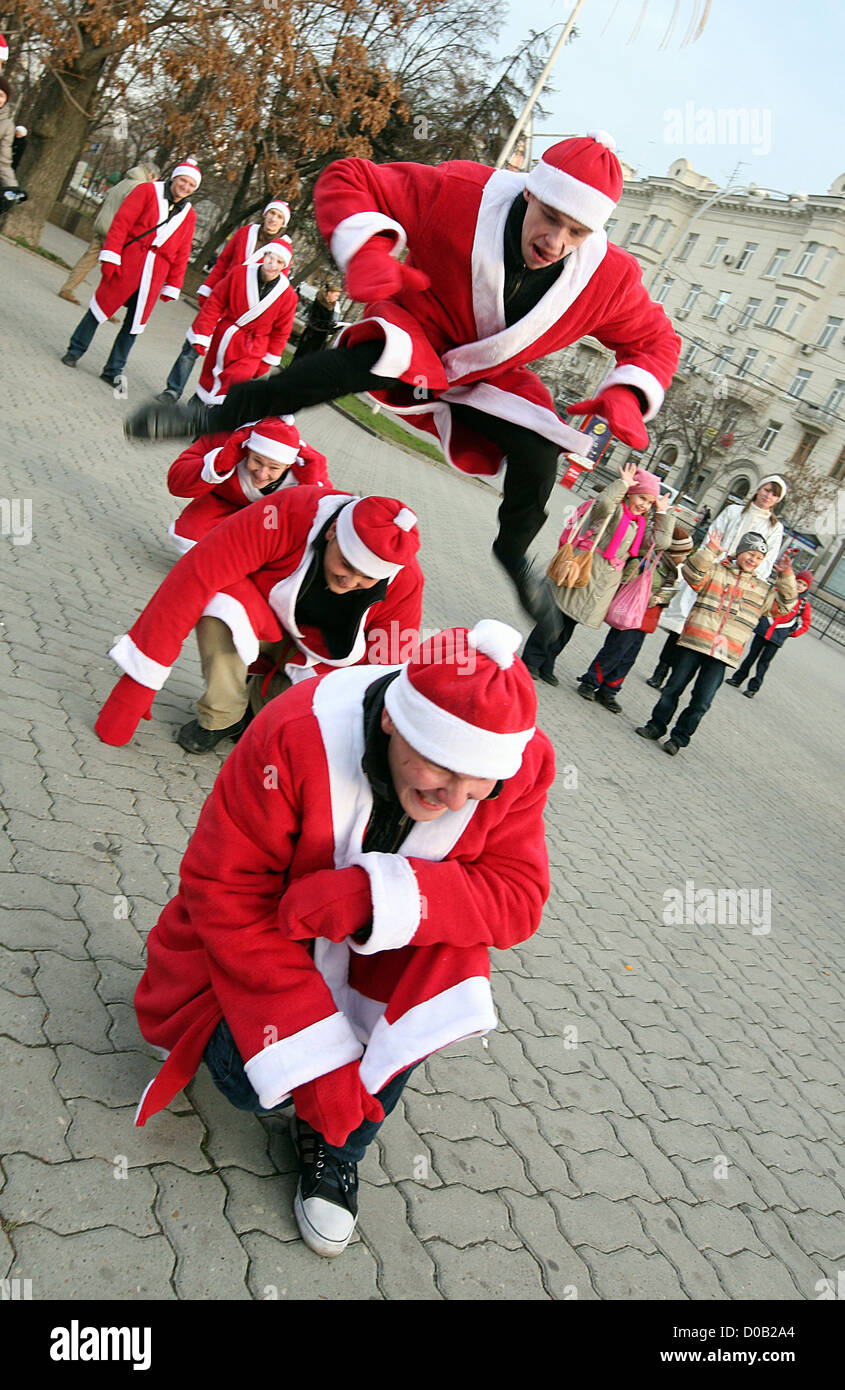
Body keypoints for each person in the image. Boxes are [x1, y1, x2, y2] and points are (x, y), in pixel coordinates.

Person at [123, 132, 681, 634]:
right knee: (353, 362)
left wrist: (628, 394)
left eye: (576, 231)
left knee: (540, 452)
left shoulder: (607, 278)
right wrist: (366, 252)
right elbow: (352, 176)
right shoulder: (464, 193)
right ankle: (211, 416)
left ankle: (514, 554)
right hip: (420, 329)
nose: (556, 241)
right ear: (532, 192)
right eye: (551, 218)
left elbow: (657, 340)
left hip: (491, 371)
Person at [130, 618, 554, 1257]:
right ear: (392, 721)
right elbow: (226, 889)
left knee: (453, 954)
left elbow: (519, 899)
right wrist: (316, 1062)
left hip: (381, 955)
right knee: (248, 1087)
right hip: (271, 932)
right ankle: (291, 1069)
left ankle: (338, 1147)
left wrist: (373, 894)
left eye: (480, 781)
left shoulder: (516, 761)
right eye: (442, 768)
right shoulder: (295, 732)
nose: (463, 798)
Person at [94, 490, 425, 752]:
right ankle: (222, 716)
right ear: (334, 531)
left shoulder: (406, 581)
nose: (349, 582)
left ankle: (257, 709)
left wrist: (360, 747)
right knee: (217, 598)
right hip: (260, 622)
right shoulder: (287, 512)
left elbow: (385, 672)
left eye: (366, 578)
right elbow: (196, 575)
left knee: (286, 728)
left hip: (318, 663)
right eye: (346, 564)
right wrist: (138, 684)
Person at [636, 529, 797, 756]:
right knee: (673, 688)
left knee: (702, 701)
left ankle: (678, 739)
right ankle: (655, 726)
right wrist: (710, 551)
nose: (753, 560)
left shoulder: (762, 590)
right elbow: (692, 574)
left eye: (759, 557)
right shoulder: (715, 571)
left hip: (723, 652)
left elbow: (785, 607)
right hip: (694, 641)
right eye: (750, 553)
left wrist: (787, 576)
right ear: (740, 552)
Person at [522, 461, 674, 685]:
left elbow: (661, 542)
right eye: (642, 498)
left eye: (650, 503)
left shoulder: (638, 526)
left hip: (603, 581)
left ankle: (548, 662)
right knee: (554, 616)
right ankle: (531, 660)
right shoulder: (614, 512)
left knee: (569, 623)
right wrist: (622, 484)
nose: (645, 505)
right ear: (630, 494)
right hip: (582, 569)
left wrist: (661, 514)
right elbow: (603, 504)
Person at [61, 159, 200, 386]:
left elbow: (183, 252)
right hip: (129, 261)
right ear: (175, 177)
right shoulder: (147, 190)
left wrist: (174, 283)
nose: (185, 187)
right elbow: (121, 224)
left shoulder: (189, 215)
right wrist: (111, 256)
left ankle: (114, 368)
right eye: (183, 180)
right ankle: (75, 351)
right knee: (99, 308)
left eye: (191, 185)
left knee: (134, 324)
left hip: (154, 274)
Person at [646, 476, 786, 689]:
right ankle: (661, 670)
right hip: (713, 573)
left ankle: (677, 679)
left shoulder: (774, 527)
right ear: (758, 489)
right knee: (683, 625)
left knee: (704, 633)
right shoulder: (734, 512)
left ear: (778, 500)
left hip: (736, 585)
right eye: (767, 490)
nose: (768, 496)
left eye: (774, 494)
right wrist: (712, 559)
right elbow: (712, 538)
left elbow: (767, 560)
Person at [159, 199, 292, 402]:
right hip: (221, 298)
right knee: (194, 343)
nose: (274, 219)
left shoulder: (282, 252)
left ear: (284, 223)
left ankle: (206, 399)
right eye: (272, 213)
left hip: (242, 313)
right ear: (265, 214)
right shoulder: (244, 233)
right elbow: (222, 263)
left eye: (279, 216)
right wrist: (208, 289)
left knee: (225, 360)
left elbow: (273, 291)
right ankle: (173, 390)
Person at [166, 415, 332, 554]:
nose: (261, 474)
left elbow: (321, 522)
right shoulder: (225, 440)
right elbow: (176, 483)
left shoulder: (310, 466)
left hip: (268, 513)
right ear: (247, 451)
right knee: (190, 534)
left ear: (288, 465)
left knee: (267, 546)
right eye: (256, 461)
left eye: (274, 468)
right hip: (222, 501)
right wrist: (220, 463)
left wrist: (309, 488)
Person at [577, 525, 693, 712]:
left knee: (628, 658)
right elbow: (629, 581)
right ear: (673, 551)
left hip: (645, 621)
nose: (685, 558)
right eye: (684, 553)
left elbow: (668, 593)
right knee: (615, 651)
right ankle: (591, 681)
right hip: (630, 615)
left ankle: (610, 690)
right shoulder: (648, 561)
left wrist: (662, 597)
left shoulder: (671, 571)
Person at [186, 240, 297, 406]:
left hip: (255, 346)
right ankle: (196, 408)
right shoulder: (240, 273)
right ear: (264, 255)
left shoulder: (288, 296)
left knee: (233, 386)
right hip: (226, 336)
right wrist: (202, 333)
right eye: (270, 257)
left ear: (284, 266)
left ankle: (210, 424)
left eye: (279, 261)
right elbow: (215, 302)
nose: (272, 264)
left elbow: (281, 332)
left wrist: (267, 361)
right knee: (209, 380)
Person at [57, 161, 160, 305]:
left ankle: (67, 288)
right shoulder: (140, 187)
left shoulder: (126, 181)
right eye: (155, 179)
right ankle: (104, 304)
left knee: (87, 260)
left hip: (102, 225)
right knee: (113, 269)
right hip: (115, 232)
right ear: (150, 174)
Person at [726, 568, 813, 697]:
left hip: (777, 637)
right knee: (751, 656)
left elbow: (806, 623)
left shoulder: (803, 605)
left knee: (764, 663)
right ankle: (737, 678)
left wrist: (792, 633)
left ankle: (753, 688)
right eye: (799, 582)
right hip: (763, 630)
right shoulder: (778, 593)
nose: (800, 586)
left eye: (804, 585)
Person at [292, 281, 342, 360]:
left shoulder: (331, 306)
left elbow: (326, 327)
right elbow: (313, 322)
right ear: (329, 293)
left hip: (319, 342)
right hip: (310, 340)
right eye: (336, 295)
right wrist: (329, 325)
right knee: (300, 361)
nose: (337, 298)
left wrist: (335, 327)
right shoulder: (319, 304)